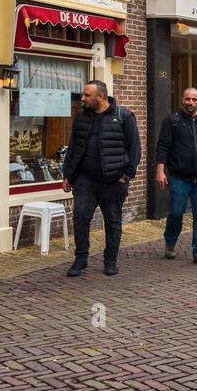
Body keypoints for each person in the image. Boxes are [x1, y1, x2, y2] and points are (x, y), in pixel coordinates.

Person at [62, 81, 140, 276]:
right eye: (83, 94)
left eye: (87, 95)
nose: (82, 98)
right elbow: (73, 146)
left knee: (112, 220)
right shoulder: (81, 116)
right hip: (84, 179)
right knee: (80, 218)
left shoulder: (124, 116)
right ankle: (81, 259)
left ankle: (110, 260)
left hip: (113, 180)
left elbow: (135, 149)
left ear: (101, 97)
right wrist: (68, 175)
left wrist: (127, 174)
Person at [155, 87, 197, 267]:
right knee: (176, 213)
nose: (190, 102)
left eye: (194, 99)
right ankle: (170, 241)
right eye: (187, 99)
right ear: (182, 100)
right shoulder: (172, 121)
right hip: (179, 177)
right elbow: (163, 147)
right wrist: (160, 171)